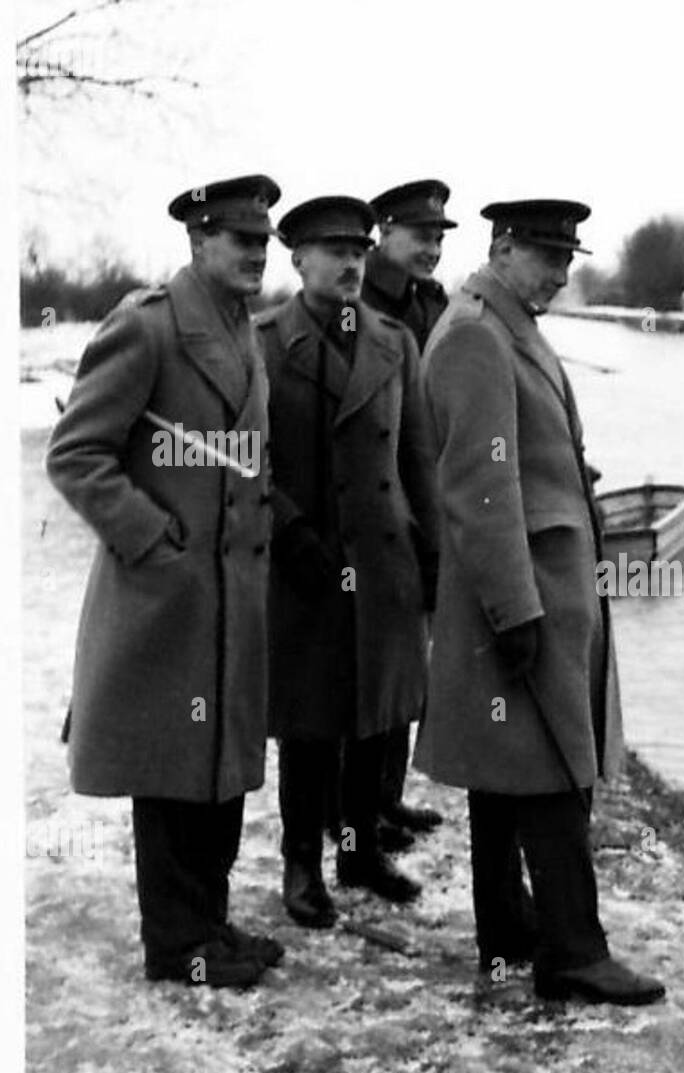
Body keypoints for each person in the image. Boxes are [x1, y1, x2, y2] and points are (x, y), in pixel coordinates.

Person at [414, 199, 665, 1005]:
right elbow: (478, 488)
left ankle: (509, 934)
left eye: (568, 257)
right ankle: (572, 952)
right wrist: (516, 609)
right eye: (546, 257)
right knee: (555, 773)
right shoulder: (478, 336)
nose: (561, 273)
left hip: (539, 584)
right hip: (523, 594)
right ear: (503, 247)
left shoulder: (502, 322)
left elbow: (519, 455)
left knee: (507, 770)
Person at [46, 174, 285, 988]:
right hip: (167, 596)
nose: (256, 253)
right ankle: (176, 945)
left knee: (219, 766)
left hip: (230, 599)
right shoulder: (146, 327)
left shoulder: (239, 327)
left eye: (263, 241)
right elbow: (76, 453)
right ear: (197, 240)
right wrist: (153, 536)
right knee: (172, 773)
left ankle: (209, 923)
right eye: (240, 240)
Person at [257, 195, 439, 928]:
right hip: (305, 562)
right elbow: (242, 462)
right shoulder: (263, 341)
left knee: (374, 716)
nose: (352, 263)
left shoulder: (395, 342)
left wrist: (432, 551)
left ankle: (360, 853)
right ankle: (302, 864)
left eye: (360, 250)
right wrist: (287, 528)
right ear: (297, 259)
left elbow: (419, 457)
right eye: (335, 251)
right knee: (308, 724)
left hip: (381, 557)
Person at [361, 179, 459, 848]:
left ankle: (384, 800)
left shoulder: (433, 304)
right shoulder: (359, 304)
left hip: (430, 502)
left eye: (438, 238)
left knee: (406, 669)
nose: (431, 248)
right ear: (384, 235)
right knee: (368, 673)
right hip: (375, 512)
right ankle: (354, 817)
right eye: (420, 236)